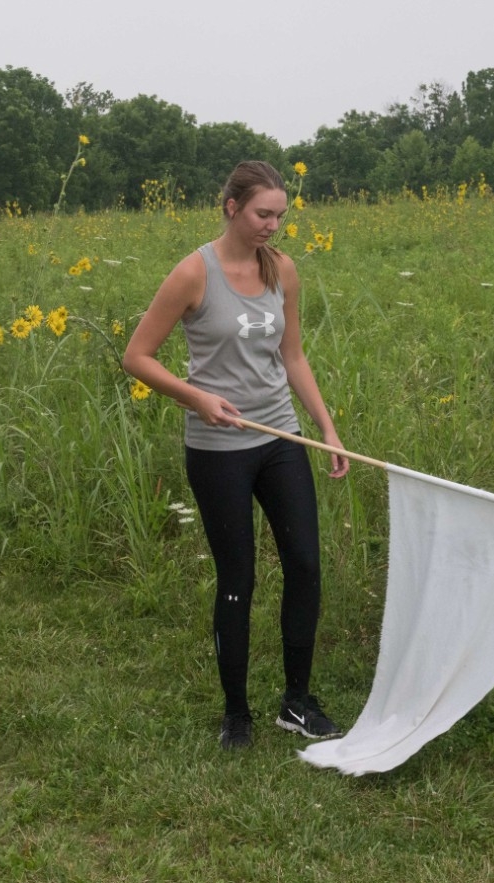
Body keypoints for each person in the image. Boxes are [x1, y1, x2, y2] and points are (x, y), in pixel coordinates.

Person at [122, 160, 350, 750]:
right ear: (231, 207)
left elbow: (293, 356)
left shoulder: (283, 270)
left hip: (280, 437)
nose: (273, 225)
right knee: (238, 578)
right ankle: (236, 713)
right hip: (219, 448)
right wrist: (195, 397)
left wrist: (327, 429)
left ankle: (297, 702)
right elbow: (137, 357)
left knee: (305, 564)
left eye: (280, 215)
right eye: (262, 214)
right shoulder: (192, 274)